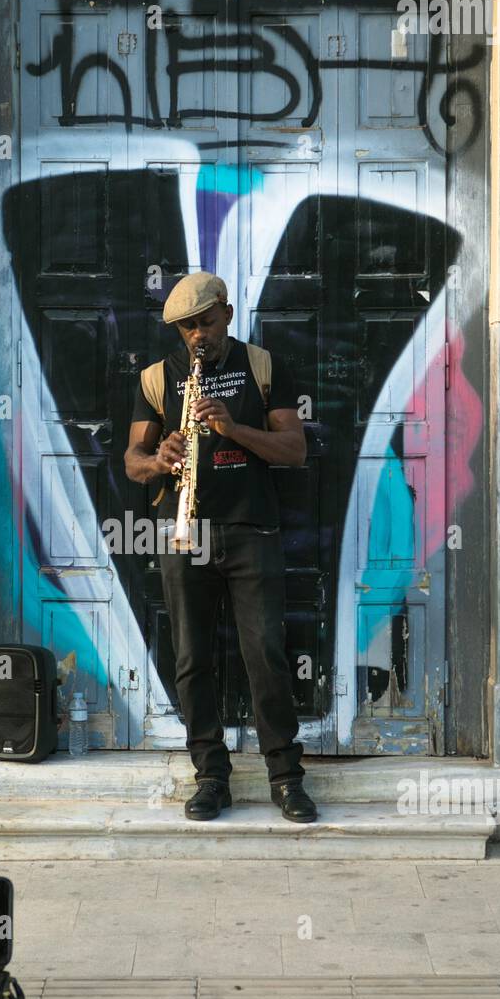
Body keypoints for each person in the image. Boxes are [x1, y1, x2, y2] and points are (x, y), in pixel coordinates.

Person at [124, 272, 318, 823]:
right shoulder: (158, 378)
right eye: (186, 327)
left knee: (266, 656)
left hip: (251, 530)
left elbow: (293, 450)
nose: (196, 336)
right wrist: (158, 460)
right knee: (192, 660)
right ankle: (210, 775)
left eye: (205, 323)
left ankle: (286, 777)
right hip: (184, 531)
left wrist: (233, 430)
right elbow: (132, 461)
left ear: (227, 315)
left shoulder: (262, 366)